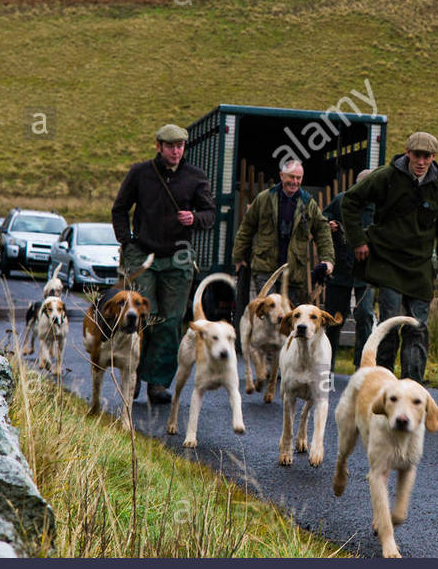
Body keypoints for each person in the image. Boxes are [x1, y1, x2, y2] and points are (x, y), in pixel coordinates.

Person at [342, 131, 438, 383]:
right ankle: (383, 383)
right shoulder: (385, 177)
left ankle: (411, 386)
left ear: (433, 157)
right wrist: (358, 241)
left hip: (419, 267)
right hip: (387, 263)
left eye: (426, 156)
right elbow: (350, 201)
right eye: (416, 155)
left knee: (418, 328)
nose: (421, 161)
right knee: (390, 325)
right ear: (407, 153)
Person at [111, 123, 216, 405]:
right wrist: (127, 241)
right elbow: (119, 209)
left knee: (171, 321)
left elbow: (210, 213)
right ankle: (132, 376)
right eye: (170, 146)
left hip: (178, 257)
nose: (176, 151)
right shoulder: (140, 173)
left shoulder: (196, 177)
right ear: (158, 146)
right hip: (143, 254)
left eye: (180, 146)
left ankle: (158, 383)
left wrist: (195, 218)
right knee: (144, 316)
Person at [232, 158, 334, 306]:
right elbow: (246, 228)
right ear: (281, 176)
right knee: (269, 312)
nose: (295, 182)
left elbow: (323, 231)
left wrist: (328, 259)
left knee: (288, 317)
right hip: (265, 268)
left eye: (298, 178)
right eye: (291, 177)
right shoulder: (264, 199)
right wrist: (238, 257)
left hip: (293, 271)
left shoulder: (308, 203)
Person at [323, 168, 375, 370]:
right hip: (341, 268)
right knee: (334, 318)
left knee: (365, 315)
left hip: (366, 270)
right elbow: (322, 219)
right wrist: (330, 224)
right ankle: (327, 365)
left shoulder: (379, 206)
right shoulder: (340, 200)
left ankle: (362, 366)